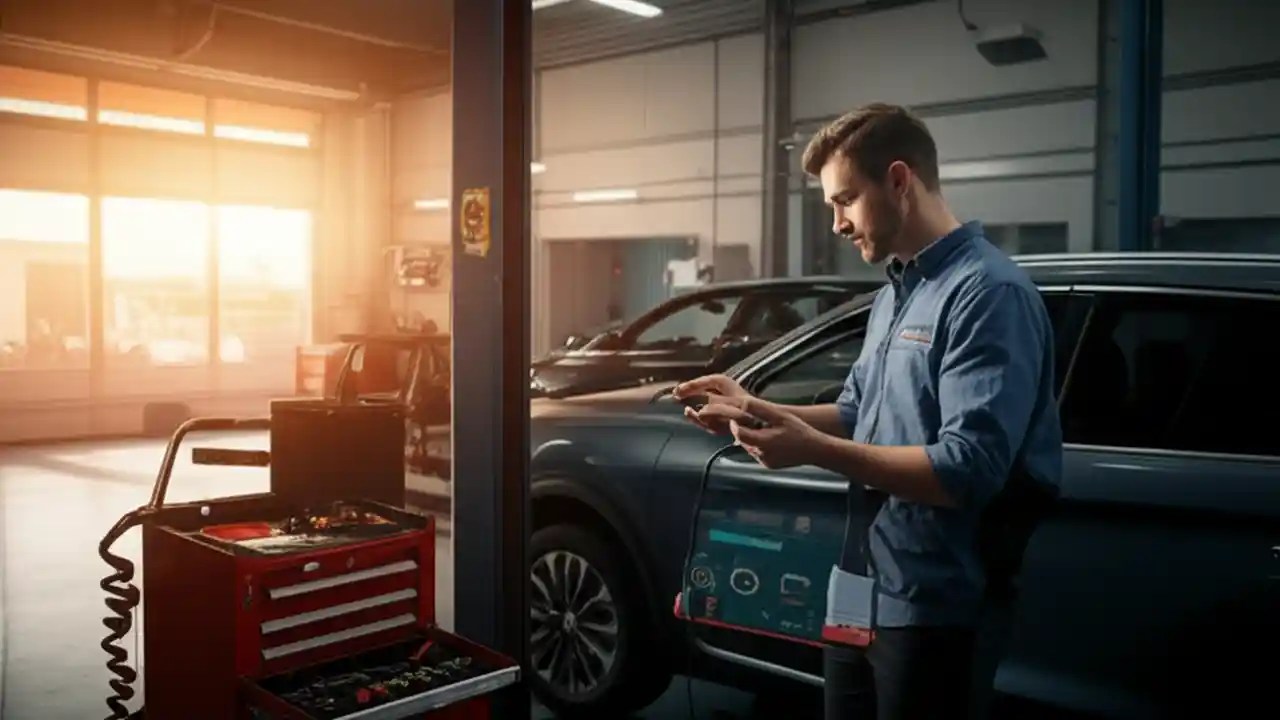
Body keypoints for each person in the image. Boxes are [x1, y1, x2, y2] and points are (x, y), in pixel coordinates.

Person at [673, 102, 1063, 720]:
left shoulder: (988, 295)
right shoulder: (894, 295)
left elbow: (967, 470)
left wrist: (810, 449)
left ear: (900, 181)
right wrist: (753, 407)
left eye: (846, 200)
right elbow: (859, 411)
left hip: (937, 604)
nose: (837, 224)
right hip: (862, 585)